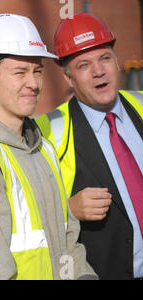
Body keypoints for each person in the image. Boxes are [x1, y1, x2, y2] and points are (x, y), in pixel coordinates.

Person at [0, 13, 97, 280]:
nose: (33, 83)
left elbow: (69, 241)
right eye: (20, 72)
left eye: (37, 71)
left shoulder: (42, 148)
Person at [35, 12, 143, 280]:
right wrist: (68, 209)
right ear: (69, 78)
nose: (98, 71)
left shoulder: (141, 105)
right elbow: (27, 212)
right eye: (84, 65)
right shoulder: (47, 131)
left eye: (104, 58)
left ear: (116, 62)